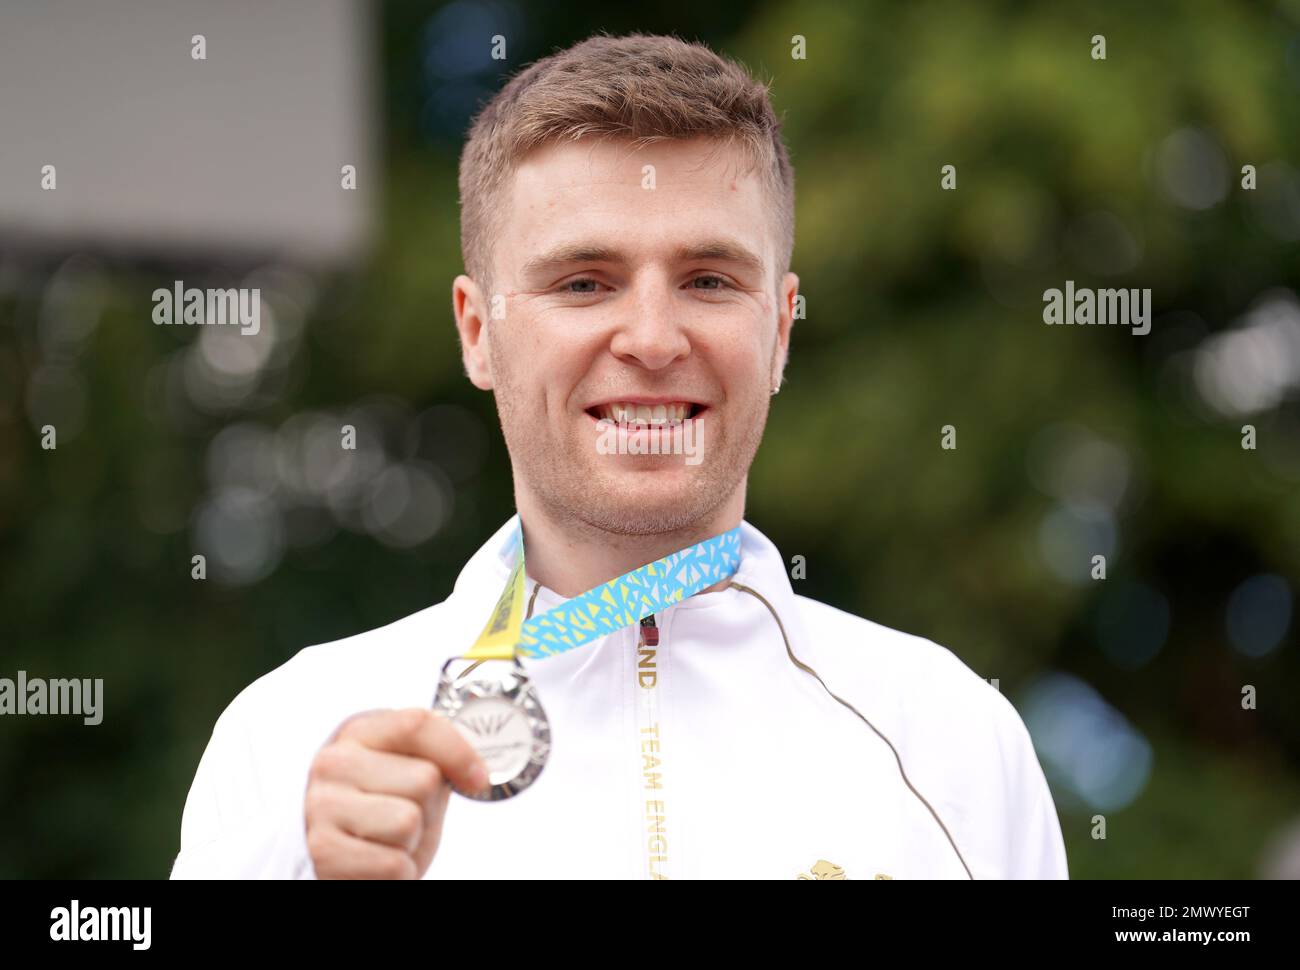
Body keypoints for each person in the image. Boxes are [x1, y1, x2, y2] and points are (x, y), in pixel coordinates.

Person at [171, 32, 1068, 880]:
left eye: (709, 280)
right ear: (479, 332)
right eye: (583, 283)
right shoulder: (295, 739)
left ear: (782, 329)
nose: (650, 338)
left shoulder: (952, 741)